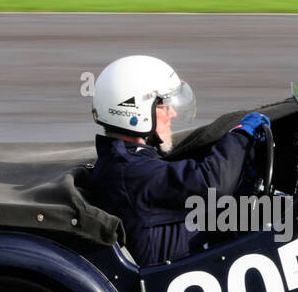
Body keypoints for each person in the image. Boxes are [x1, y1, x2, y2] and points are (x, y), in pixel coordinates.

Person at [87, 55, 270, 267]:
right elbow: (211, 184)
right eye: (164, 105)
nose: (172, 113)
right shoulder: (128, 171)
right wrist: (241, 136)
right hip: (175, 280)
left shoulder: (124, 160)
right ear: (135, 111)